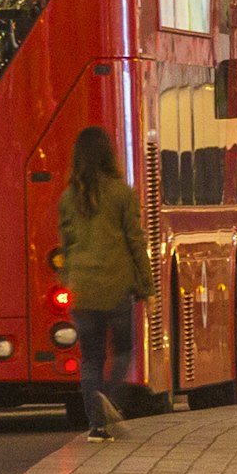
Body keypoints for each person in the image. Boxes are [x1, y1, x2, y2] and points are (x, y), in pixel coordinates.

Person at [56, 125, 154, 441]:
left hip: (82, 289)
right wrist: (146, 284)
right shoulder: (121, 194)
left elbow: (66, 246)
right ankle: (110, 399)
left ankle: (97, 426)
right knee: (124, 351)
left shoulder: (69, 198)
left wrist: (68, 278)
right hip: (116, 286)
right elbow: (135, 241)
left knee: (90, 359)